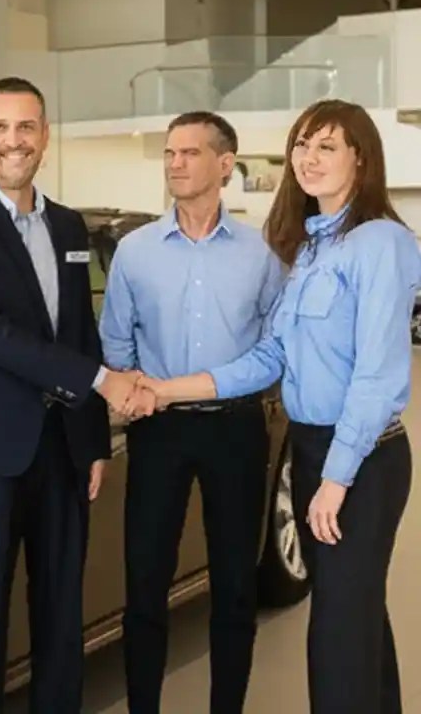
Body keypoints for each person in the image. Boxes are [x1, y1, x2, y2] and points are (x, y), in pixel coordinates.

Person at [139, 98, 420, 714]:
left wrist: (335, 480)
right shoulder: (312, 248)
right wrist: (166, 388)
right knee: (360, 623)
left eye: (328, 146)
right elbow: (269, 359)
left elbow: (376, 377)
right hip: (318, 449)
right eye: (301, 145)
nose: (309, 158)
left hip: (363, 459)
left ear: (361, 158)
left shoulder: (382, 244)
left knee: (336, 641)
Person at [0, 75, 141, 714]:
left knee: (61, 606)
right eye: (1, 128)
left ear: (44, 137)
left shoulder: (68, 227)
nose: (14, 142)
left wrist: (95, 437)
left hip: (64, 445)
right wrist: (102, 382)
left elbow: (80, 331)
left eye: (27, 128)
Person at [98, 111, 284, 714]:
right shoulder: (135, 252)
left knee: (234, 587)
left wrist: (175, 386)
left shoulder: (261, 254)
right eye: (169, 153)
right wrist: (135, 391)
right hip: (157, 435)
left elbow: (274, 351)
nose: (174, 163)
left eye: (189, 152)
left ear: (225, 165)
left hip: (236, 431)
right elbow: (116, 346)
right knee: (145, 588)